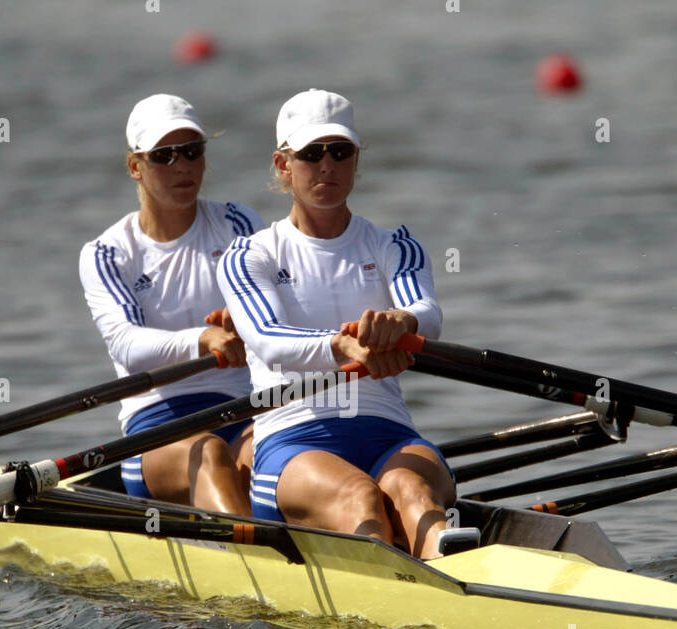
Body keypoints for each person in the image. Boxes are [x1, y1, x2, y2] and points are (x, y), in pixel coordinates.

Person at [216, 89, 464, 558]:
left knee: (410, 490)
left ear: (355, 160)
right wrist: (345, 346)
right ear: (283, 165)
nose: (326, 165)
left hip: (388, 433)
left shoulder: (394, 244)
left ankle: (454, 577)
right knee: (361, 497)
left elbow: (428, 315)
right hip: (292, 439)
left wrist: (401, 319)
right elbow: (268, 341)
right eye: (310, 154)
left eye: (340, 151)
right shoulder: (249, 255)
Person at [79, 94, 263, 515]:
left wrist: (250, 314)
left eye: (192, 151)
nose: (182, 166)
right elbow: (127, 345)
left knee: (274, 452)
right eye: (164, 155)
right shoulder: (108, 253)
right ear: (134, 167)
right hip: (156, 427)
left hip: (245, 407)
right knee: (211, 454)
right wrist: (204, 337)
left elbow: (279, 306)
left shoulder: (239, 224)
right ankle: (251, 559)